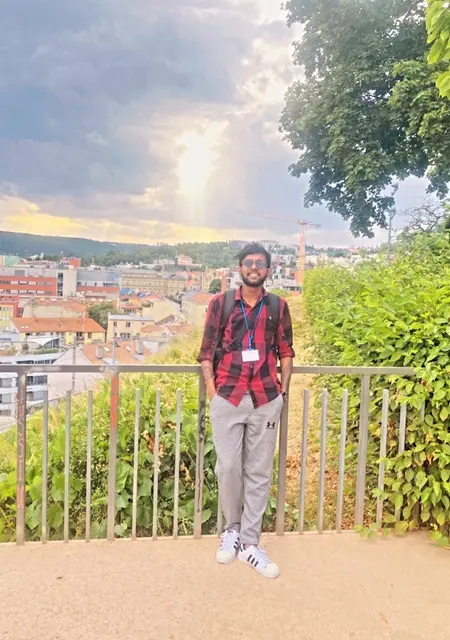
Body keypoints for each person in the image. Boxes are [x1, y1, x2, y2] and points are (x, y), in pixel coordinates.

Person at [197, 242, 295, 579]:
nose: (254, 267)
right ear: (240, 267)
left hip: (266, 397)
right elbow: (206, 351)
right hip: (228, 395)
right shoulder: (221, 304)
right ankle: (232, 530)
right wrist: (213, 392)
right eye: (248, 262)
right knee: (227, 467)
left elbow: (286, 351)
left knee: (259, 471)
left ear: (268, 270)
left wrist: (282, 391)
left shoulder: (278, 306)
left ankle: (251, 543)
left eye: (260, 263)